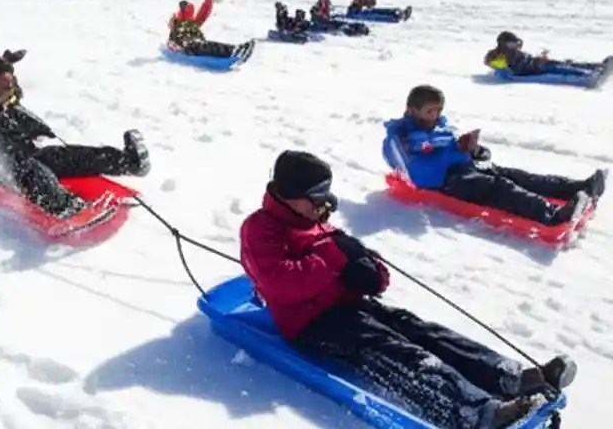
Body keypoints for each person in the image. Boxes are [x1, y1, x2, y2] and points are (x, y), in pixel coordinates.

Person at [241, 150, 576, 429]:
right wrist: (333, 258)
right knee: (395, 350)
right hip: (312, 323)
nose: (321, 205)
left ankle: (511, 377)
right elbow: (278, 283)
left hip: (350, 305)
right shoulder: (260, 229)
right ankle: (476, 412)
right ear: (288, 195)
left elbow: (345, 260)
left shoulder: (311, 220)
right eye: (315, 197)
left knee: (424, 332)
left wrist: (370, 270)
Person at [0, 51, 150, 218]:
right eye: (3, 86)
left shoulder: (3, 101)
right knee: (26, 165)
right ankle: (66, 207)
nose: (9, 90)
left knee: (62, 154)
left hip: (26, 160)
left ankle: (128, 162)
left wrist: (39, 129)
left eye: (10, 85)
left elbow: (16, 101)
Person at [383, 84, 603, 226]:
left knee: (517, 176)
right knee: (501, 188)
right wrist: (426, 145)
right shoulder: (399, 136)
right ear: (412, 109)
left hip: (466, 167)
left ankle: (576, 187)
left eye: (438, 110)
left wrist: (474, 149)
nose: (435, 115)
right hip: (447, 181)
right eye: (430, 111)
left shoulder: (440, 126)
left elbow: (450, 145)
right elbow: (412, 169)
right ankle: (553, 216)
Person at [483, 31, 606, 77]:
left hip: (534, 63)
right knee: (559, 68)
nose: (515, 47)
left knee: (564, 63)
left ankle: (597, 66)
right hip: (532, 69)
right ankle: (588, 74)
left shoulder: (514, 52)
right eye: (511, 44)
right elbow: (509, 68)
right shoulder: (497, 55)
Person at [166, 0, 240, 58]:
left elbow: (206, 8)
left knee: (208, 45)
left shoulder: (192, 24)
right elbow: (172, 44)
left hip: (197, 46)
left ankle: (233, 51)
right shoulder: (176, 28)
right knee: (201, 46)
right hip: (191, 49)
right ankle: (231, 52)